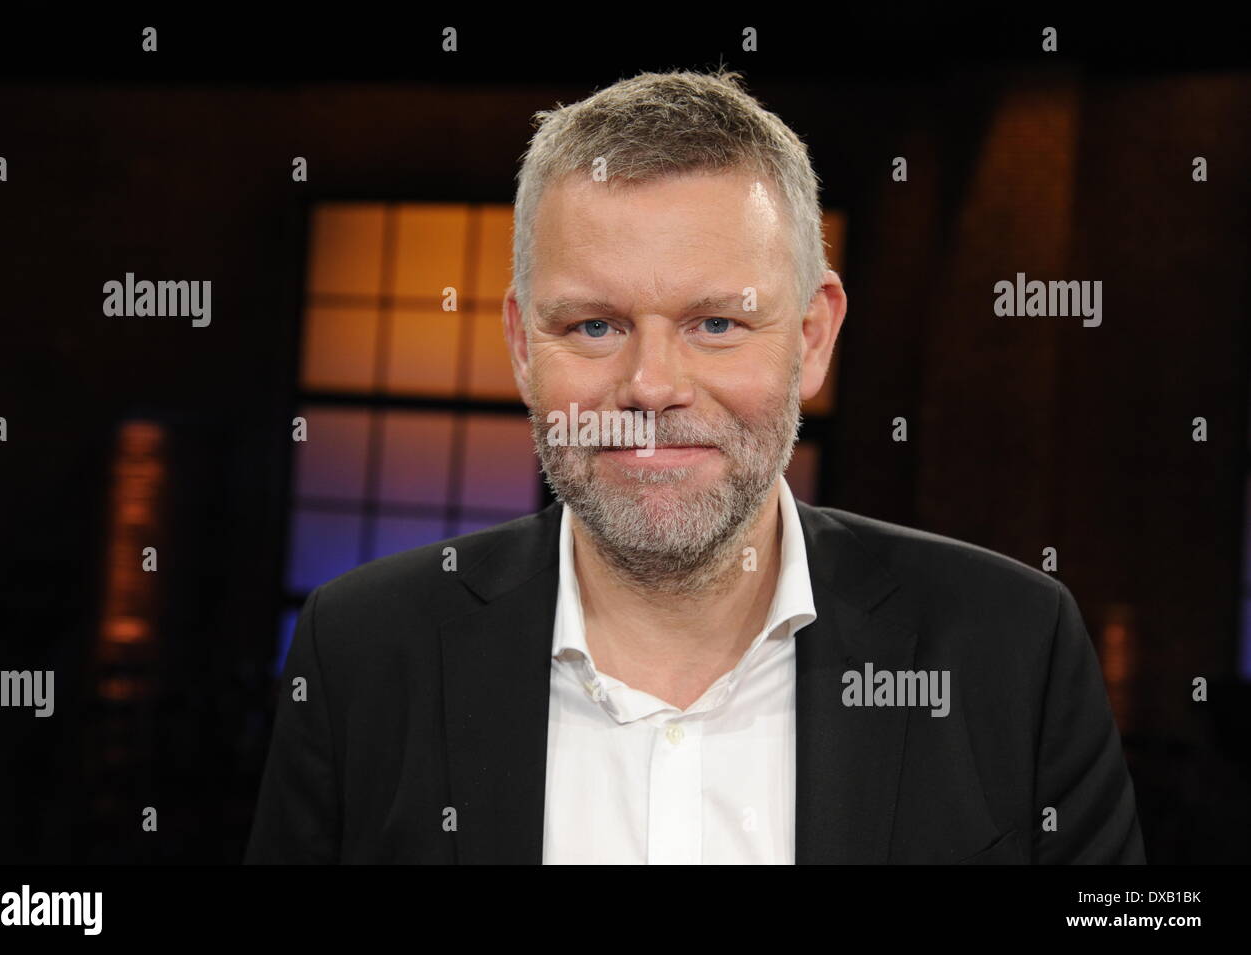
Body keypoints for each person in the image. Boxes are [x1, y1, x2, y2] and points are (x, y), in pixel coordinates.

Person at [245, 67, 1144, 864]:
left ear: (812, 336)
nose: (651, 386)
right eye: (594, 326)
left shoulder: (1012, 647)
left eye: (716, 323)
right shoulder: (362, 651)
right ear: (523, 344)